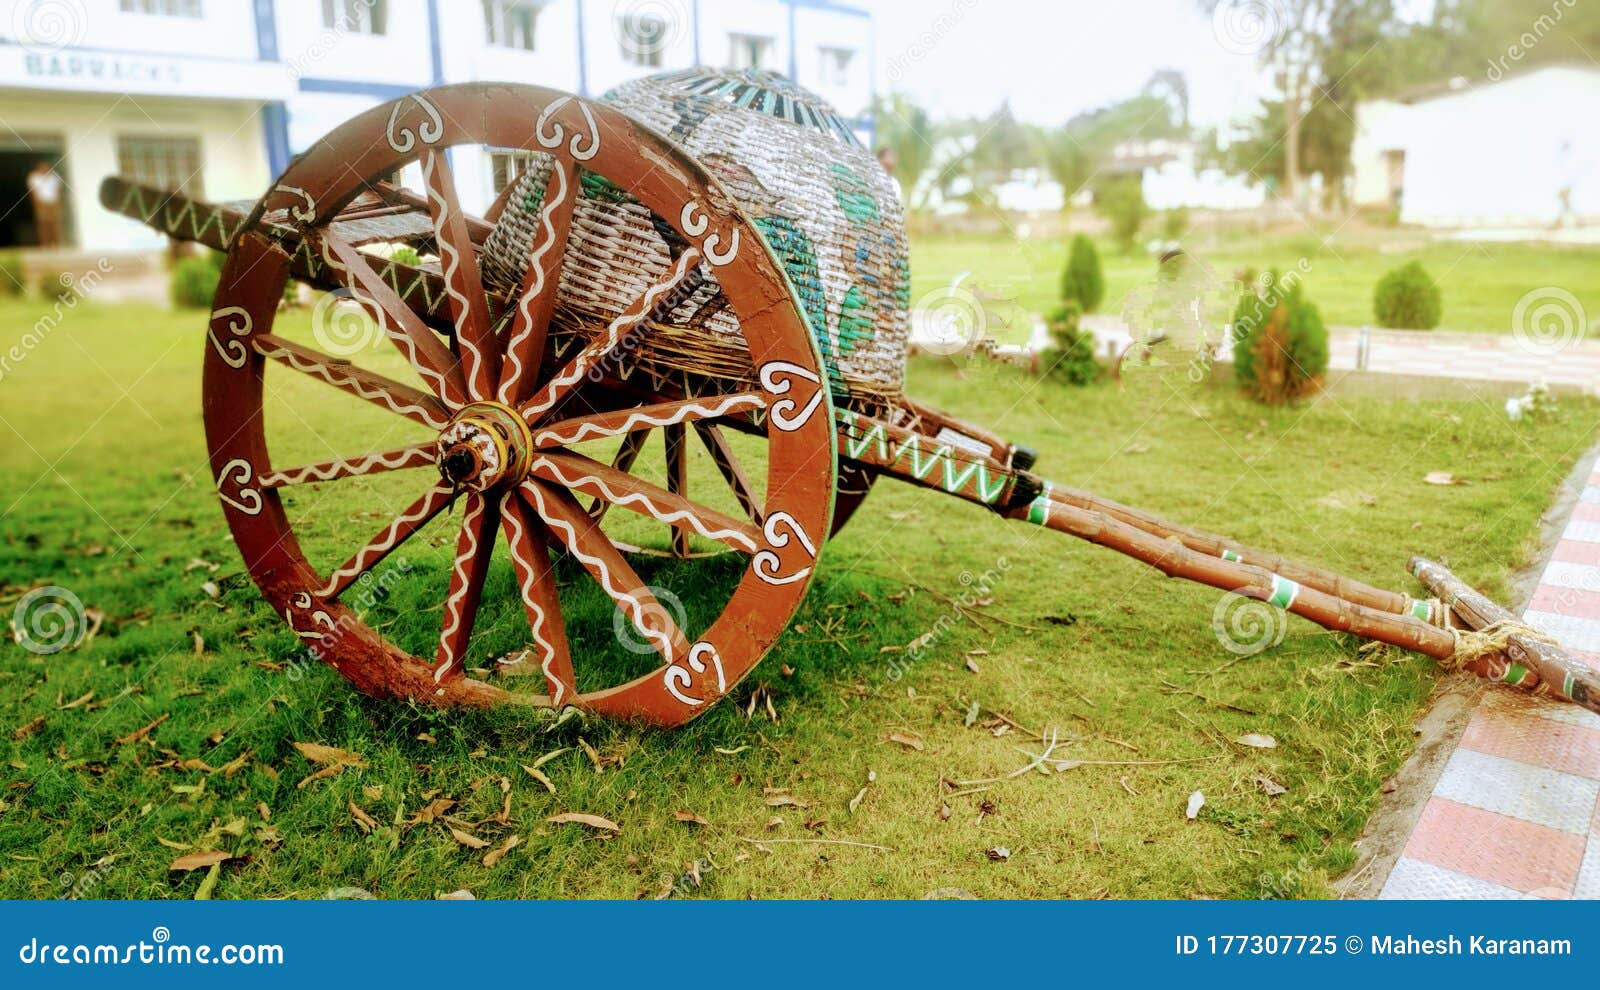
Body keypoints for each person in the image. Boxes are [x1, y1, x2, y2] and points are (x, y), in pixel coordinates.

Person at [27, 161, 63, 248]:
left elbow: (58, 191)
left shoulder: (54, 178)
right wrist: (37, 203)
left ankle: (56, 243)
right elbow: (33, 191)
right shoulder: (34, 177)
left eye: (47, 168)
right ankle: (45, 243)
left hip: (53, 203)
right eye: (43, 168)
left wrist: (57, 203)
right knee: (43, 224)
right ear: (39, 169)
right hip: (41, 203)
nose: (45, 170)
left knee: (55, 223)